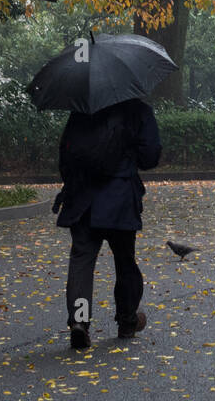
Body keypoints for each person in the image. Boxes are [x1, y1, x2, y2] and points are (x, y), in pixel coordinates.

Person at [53, 97, 162, 350]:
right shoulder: (138, 109)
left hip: (83, 200)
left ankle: (79, 322)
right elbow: (150, 156)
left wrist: (72, 186)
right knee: (125, 261)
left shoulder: (82, 107)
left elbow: (66, 152)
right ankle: (127, 321)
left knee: (81, 261)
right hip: (120, 197)